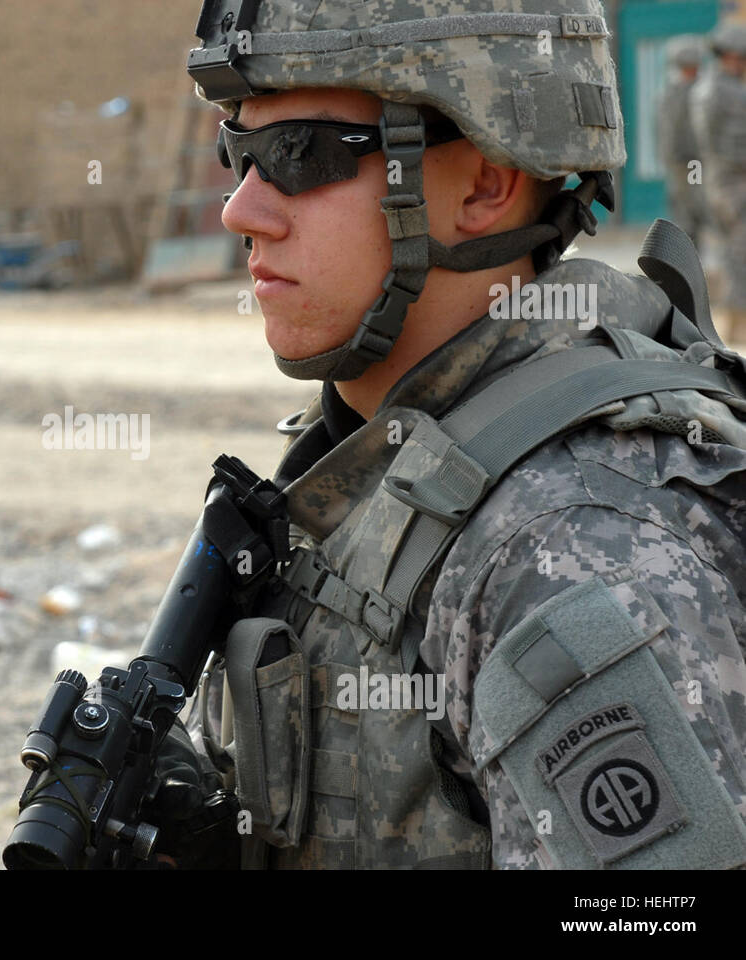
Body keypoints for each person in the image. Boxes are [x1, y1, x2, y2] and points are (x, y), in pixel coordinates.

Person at [144, 0, 746, 870]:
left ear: (485, 184)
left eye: (299, 155)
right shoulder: (392, 451)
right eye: (236, 151)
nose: (242, 211)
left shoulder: (571, 539)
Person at [691, 23, 746, 343]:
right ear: (732, 56)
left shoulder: (704, 87)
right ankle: (736, 329)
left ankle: (732, 324)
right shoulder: (731, 93)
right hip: (735, 183)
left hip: (717, 181)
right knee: (740, 253)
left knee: (731, 252)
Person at [659, 36, 708, 250]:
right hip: (680, 159)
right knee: (683, 205)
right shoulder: (672, 91)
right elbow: (665, 127)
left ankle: (695, 248)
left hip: (694, 160)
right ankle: (688, 250)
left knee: (695, 203)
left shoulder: (700, 89)